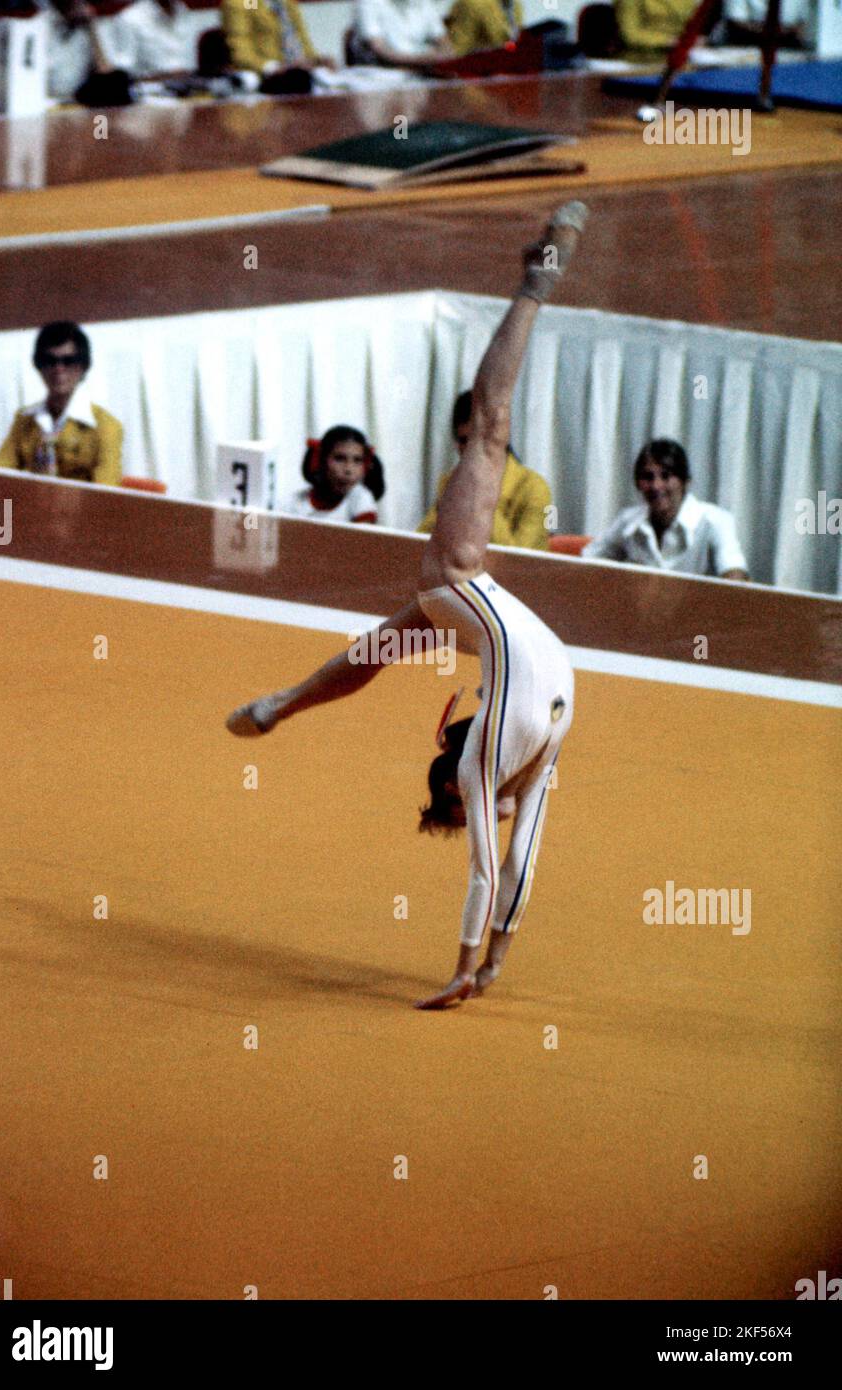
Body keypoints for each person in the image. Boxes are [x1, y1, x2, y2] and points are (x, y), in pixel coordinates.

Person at [227, 201, 589, 1009]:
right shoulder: (504, 759)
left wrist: (482, 963)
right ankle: (538, 280)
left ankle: (281, 704)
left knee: (483, 437)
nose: (487, 813)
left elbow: (509, 855)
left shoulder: (503, 758)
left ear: (461, 783)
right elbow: (508, 854)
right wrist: (478, 966)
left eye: (469, 807)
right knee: (485, 435)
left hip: (514, 637)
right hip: (475, 602)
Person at [582, 438, 748, 579]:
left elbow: (734, 572)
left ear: (685, 482)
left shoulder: (715, 521)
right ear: (638, 483)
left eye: (666, 476)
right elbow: (588, 561)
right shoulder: (628, 521)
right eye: (648, 477)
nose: (656, 485)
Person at [0, 321, 123, 485]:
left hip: (82, 509)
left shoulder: (105, 427)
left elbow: (105, 492)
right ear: (39, 365)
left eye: (68, 361)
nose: (59, 369)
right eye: (50, 361)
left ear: (83, 366)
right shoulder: (25, 420)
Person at [418, 391, 551, 551]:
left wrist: (481, 496)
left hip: (511, 575)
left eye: (479, 440)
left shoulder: (535, 488)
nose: (471, 450)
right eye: (464, 441)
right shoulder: (451, 481)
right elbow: (419, 545)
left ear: (502, 437)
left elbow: (518, 561)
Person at [287, 426, 384, 524]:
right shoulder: (295, 502)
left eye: (357, 460)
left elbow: (362, 538)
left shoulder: (361, 498)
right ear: (320, 460)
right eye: (340, 459)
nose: (348, 469)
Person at [220, 0, 334, 80]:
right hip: (268, 79)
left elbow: (301, 40)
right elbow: (241, 54)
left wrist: (317, 61)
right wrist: (277, 68)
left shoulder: (287, 3)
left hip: (304, 76)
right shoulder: (248, 3)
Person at [348, 0, 452, 68]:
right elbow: (380, 50)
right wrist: (424, 58)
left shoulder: (424, 3)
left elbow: (445, 45)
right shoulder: (368, 3)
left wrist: (440, 57)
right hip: (381, 74)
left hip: (421, 72)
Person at [444, 0, 522, 55]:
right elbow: (457, 51)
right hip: (470, 67)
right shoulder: (472, 4)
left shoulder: (515, 6)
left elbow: (514, 43)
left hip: (504, 64)